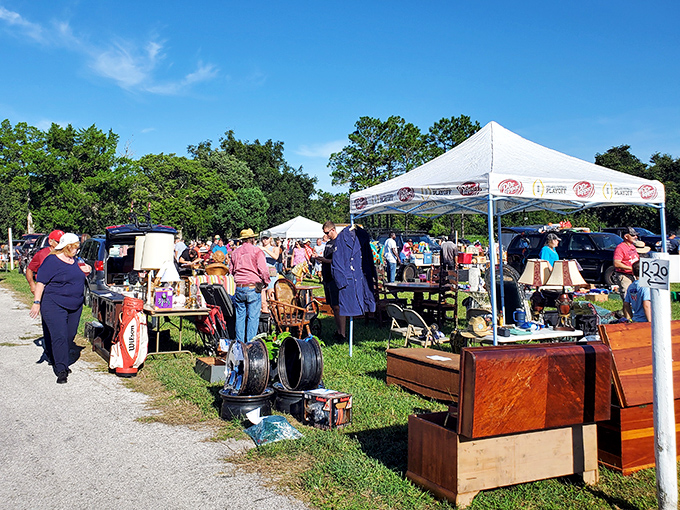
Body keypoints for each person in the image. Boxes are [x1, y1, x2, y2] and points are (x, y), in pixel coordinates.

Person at [29, 233, 91, 384]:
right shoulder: (51, 261)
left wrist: (87, 269)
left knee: (69, 335)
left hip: (75, 305)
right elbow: (41, 282)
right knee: (60, 336)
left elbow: (86, 271)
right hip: (53, 303)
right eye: (75, 247)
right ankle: (61, 369)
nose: (77, 249)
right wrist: (37, 302)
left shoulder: (76, 260)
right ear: (67, 247)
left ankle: (53, 354)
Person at [231, 228, 270, 343]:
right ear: (252, 239)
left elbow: (232, 270)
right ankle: (250, 346)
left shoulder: (235, 252)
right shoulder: (257, 251)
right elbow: (263, 270)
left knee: (240, 317)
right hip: (253, 287)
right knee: (253, 318)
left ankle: (239, 345)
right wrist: (266, 281)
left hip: (239, 287)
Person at [317, 221, 345, 341]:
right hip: (327, 277)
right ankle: (338, 330)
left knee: (338, 306)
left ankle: (342, 333)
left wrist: (323, 260)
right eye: (324, 233)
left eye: (327, 233)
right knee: (333, 306)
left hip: (335, 278)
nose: (326, 235)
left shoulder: (340, 243)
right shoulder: (328, 243)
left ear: (333, 230)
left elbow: (337, 260)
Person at [613, 227, 641, 299]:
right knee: (627, 297)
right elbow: (616, 264)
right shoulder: (620, 248)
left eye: (636, 235)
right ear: (626, 236)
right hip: (624, 275)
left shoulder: (632, 246)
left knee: (637, 296)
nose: (635, 237)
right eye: (633, 235)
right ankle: (627, 310)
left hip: (634, 275)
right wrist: (632, 268)